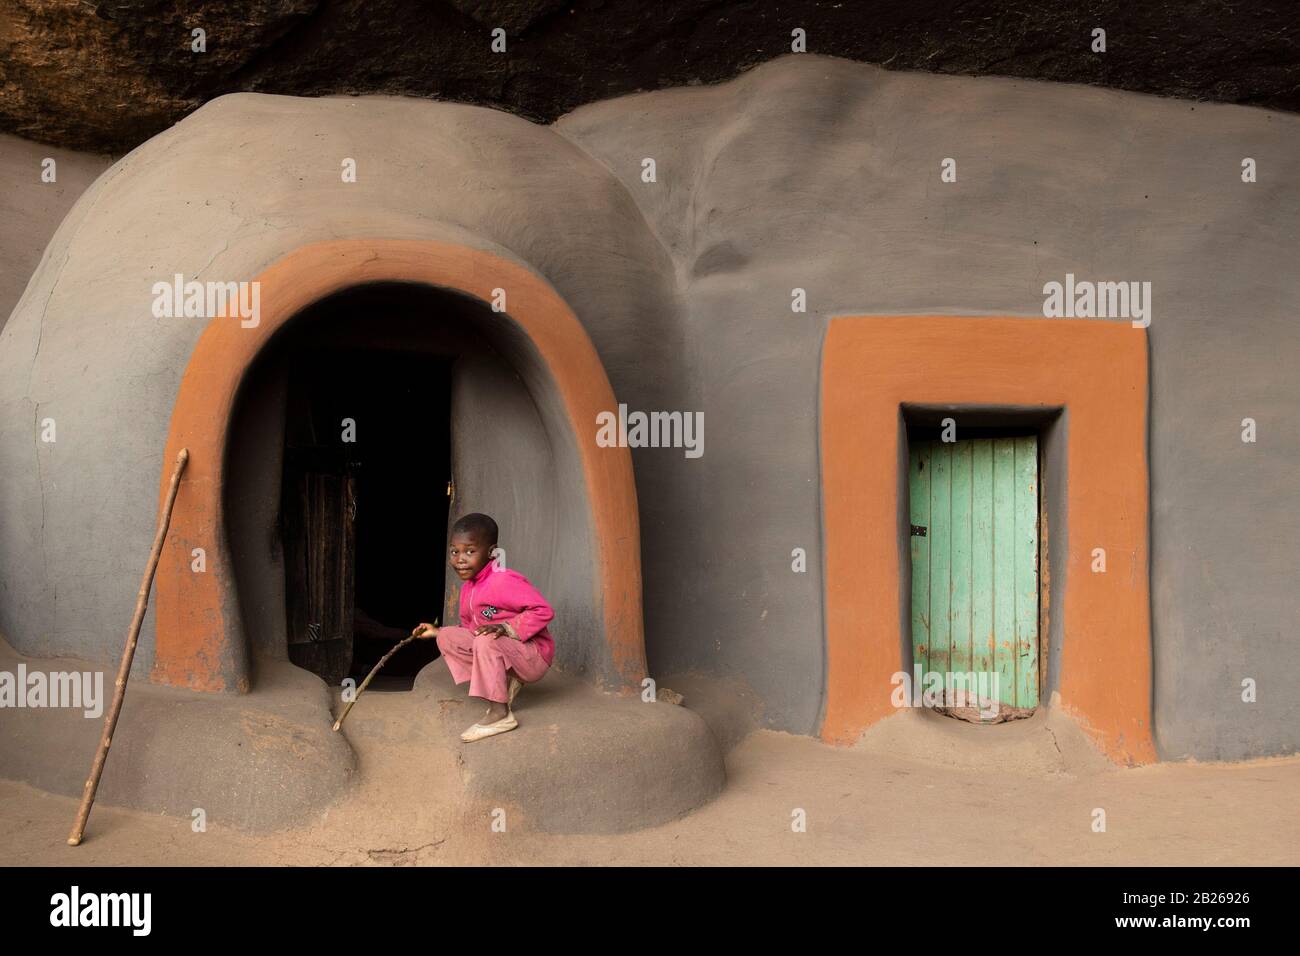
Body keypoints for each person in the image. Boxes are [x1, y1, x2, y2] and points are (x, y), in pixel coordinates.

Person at [411, 513, 555, 742]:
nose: (460, 559)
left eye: (470, 551)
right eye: (454, 551)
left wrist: (506, 628)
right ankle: (504, 682)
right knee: (448, 637)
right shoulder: (469, 588)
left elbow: (543, 611)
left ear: (491, 553)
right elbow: (470, 629)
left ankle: (500, 714)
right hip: (506, 650)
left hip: (533, 656)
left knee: (486, 640)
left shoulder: (503, 580)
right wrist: (437, 631)